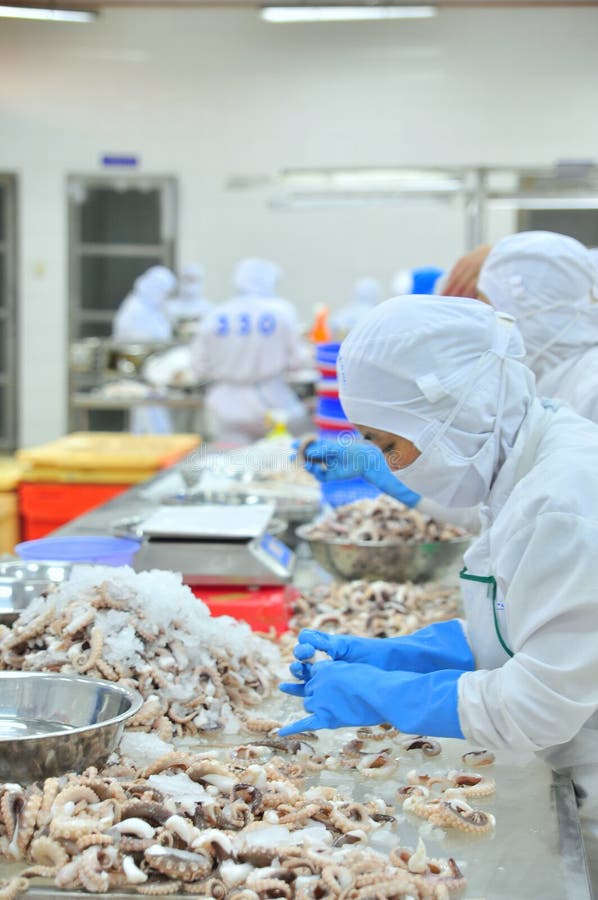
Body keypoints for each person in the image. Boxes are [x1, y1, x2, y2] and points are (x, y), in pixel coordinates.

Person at [282, 295, 598, 887]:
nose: (390, 466)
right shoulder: (524, 461)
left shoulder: (564, 498)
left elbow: (540, 705)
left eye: (387, 443)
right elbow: (530, 617)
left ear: (454, 412)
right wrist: (411, 653)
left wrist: (390, 695)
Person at [477, 231, 598, 424]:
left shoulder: (591, 387)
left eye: (489, 307)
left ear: (528, 308)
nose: (483, 321)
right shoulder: (544, 374)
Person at [190, 258, 309, 444]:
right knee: (278, 464)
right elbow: (297, 361)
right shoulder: (282, 311)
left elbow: (198, 366)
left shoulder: (214, 314)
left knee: (232, 466)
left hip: (226, 405)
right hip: (272, 400)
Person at [113, 265, 177, 433]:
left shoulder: (152, 308)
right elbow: (139, 341)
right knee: (147, 426)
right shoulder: (134, 309)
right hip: (140, 376)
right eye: (163, 291)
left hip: (153, 376)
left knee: (155, 423)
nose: (164, 296)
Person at [113, 265, 176, 343]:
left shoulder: (155, 307)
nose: (165, 296)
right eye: (164, 292)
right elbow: (125, 333)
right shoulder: (135, 306)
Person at [165, 263, 213, 330]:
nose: (190, 283)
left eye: (193, 279)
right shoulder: (169, 307)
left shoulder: (209, 308)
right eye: (187, 279)